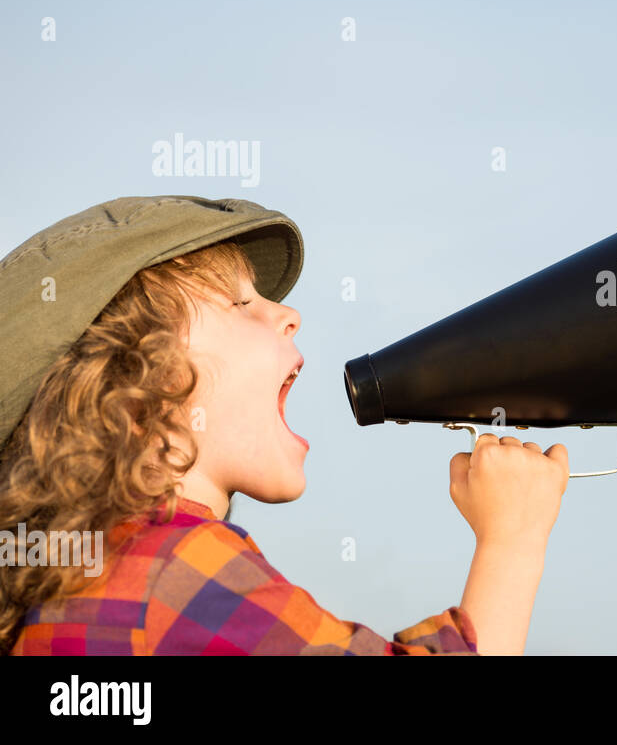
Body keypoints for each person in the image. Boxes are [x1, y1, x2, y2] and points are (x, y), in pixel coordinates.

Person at [0, 195, 568, 655]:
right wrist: (513, 538)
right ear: (132, 379)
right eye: (240, 304)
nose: (287, 313)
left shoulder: (72, 581)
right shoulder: (169, 572)